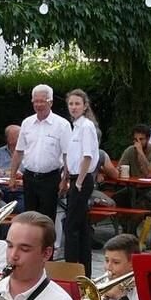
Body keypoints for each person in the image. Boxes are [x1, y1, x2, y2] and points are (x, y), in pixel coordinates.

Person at [10, 84, 72, 223]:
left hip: (50, 178)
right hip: (29, 177)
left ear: (50, 102)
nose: (38, 104)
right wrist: (12, 176)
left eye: (42, 101)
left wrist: (65, 180)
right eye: (35, 101)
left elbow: (67, 155)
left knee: (47, 219)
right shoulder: (27, 123)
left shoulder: (62, 125)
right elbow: (19, 151)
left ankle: (47, 245)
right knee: (29, 218)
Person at [60, 89, 102, 271]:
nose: (74, 107)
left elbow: (87, 156)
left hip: (82, 180)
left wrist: (79, 182)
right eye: (71, 104)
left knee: (70, 226)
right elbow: (71, 155)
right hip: (76, 178)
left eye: (77, 104)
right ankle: (85, 269)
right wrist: (67, 176)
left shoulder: (86, 126)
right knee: (82, 226)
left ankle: (71, 267)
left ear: (85, 106)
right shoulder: (75, 126)